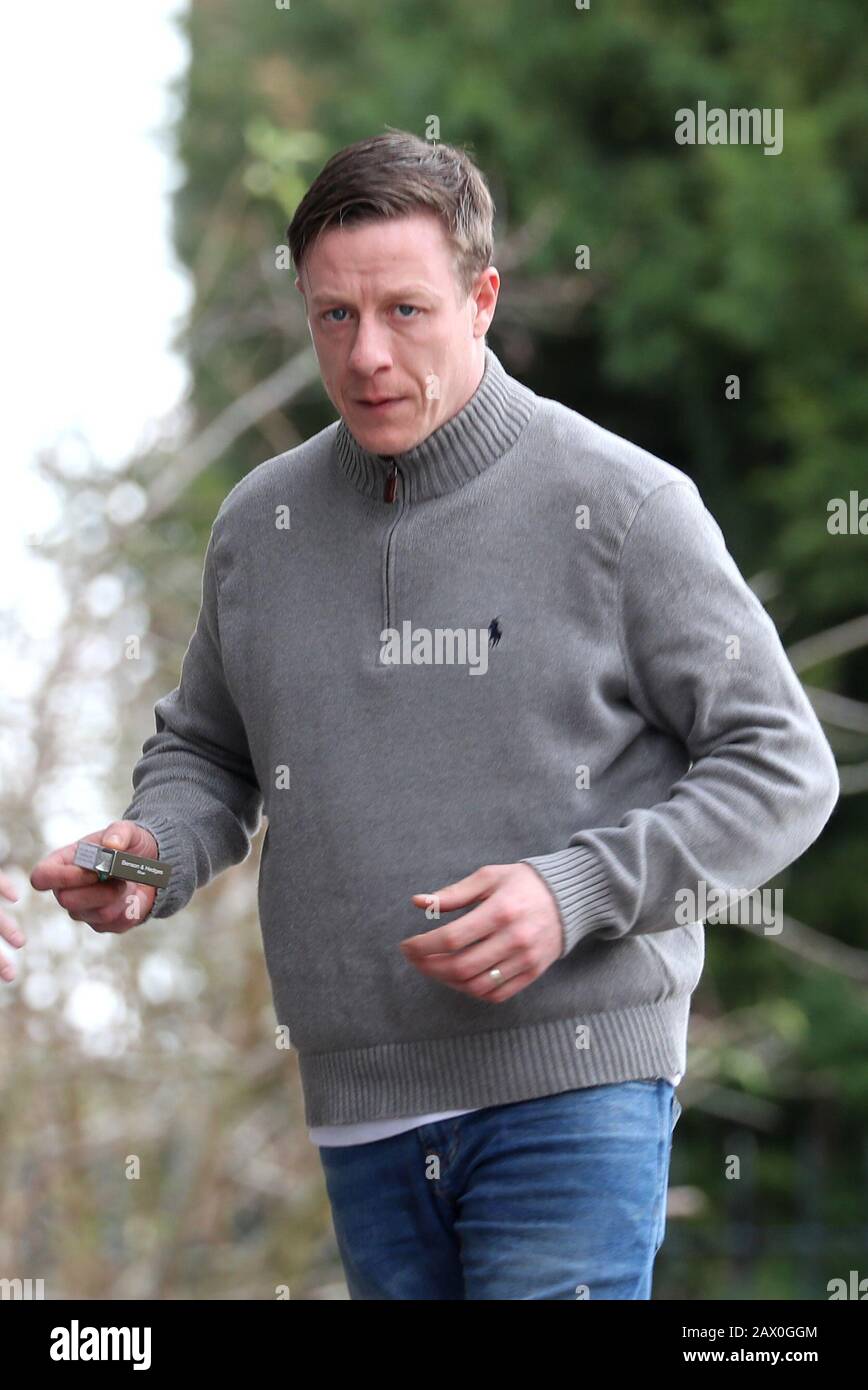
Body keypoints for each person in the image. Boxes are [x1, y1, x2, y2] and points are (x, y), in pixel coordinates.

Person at [30, 130, 840, 1299]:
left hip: (574, 1093)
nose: (366, 356)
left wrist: (575, 893)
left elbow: (783, 765)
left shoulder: (623, 506)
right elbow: (208, 752)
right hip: (361, 1112)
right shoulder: (262, 528)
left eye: (406, 311)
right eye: (332, 318)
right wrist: (152, 851)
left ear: (482, 298)